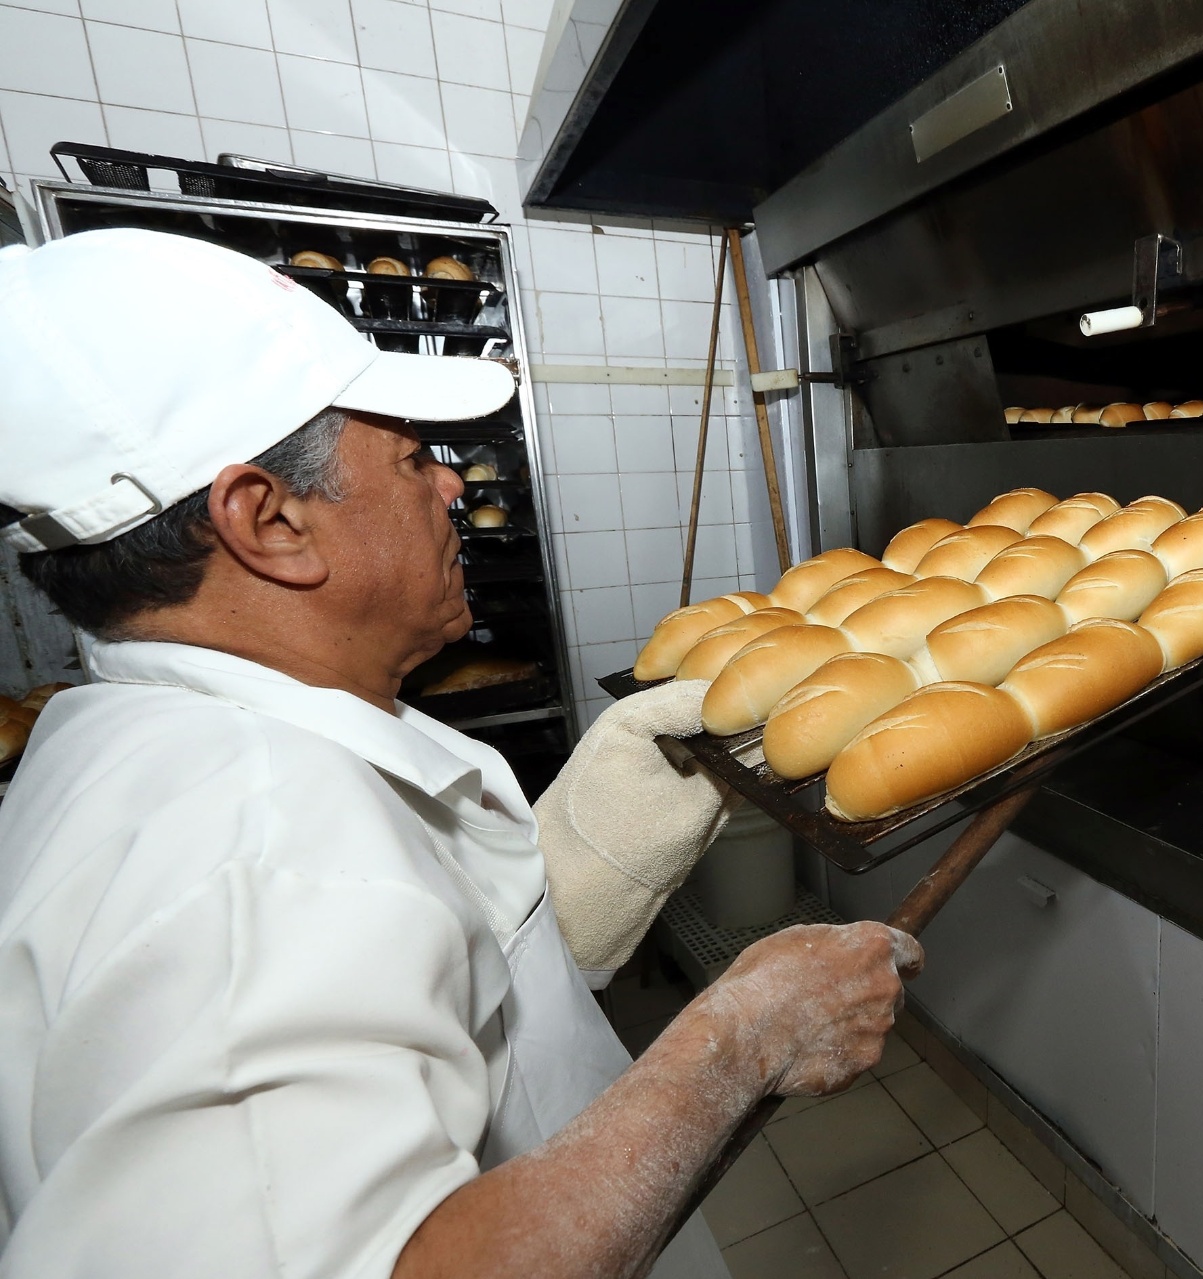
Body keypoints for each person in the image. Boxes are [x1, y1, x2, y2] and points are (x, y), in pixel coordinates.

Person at [0, 229, 922, 1277]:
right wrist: (746, 1034)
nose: (447, 486)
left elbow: (409, 984)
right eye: (406, 455)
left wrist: (583, 843)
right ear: (270, 520)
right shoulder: (251, 854)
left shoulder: (148, 737)